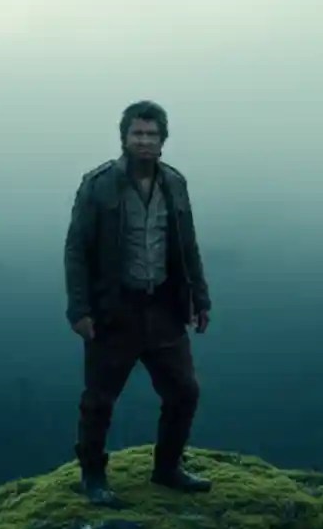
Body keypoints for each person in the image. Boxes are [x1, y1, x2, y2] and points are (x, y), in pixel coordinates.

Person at [63, 100, 213, 505]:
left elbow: (187, 245)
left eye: (152, 134)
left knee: (184, 391)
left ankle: (167, 469)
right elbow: (76, 249)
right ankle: (93, 476)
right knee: (99, 399)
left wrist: (200, 298)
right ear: (125, 138)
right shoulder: (98, 185)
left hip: (164, 306)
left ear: (163, 140)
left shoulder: (175, 184)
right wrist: (79, 310)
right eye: (137, 133)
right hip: (115, 310)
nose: (144, 141)